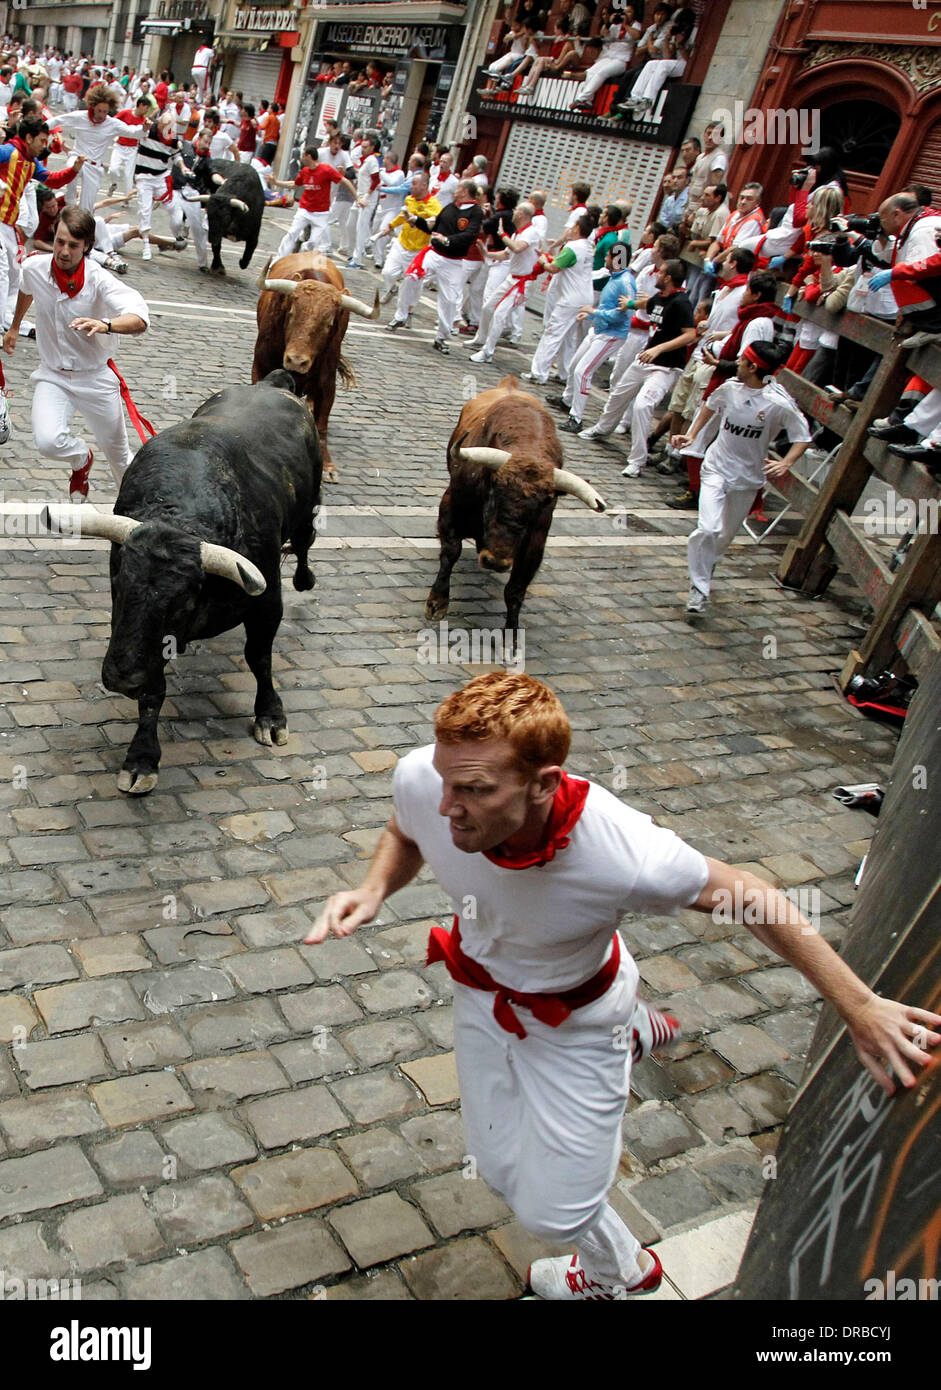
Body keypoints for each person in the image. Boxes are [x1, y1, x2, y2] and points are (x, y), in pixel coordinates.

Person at [306, 669, 940, 1301]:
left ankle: (628, 1030)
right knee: (498, 1173)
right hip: (482, 994)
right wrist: (373, 888)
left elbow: (752, 897)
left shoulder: (627, 853)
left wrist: (858, 1004)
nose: (447, 805)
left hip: (579, 1018)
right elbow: (407, 830)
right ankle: (623, 1272)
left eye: (472, 790)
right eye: (446, 782)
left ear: (544, 784)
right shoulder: (431, 778)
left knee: (554, 1214)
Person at [2, 205, 149, 501]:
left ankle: (135, 510)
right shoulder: (35, 267)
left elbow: (140, 318)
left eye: (73, 245)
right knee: (47, 441)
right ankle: (81, 459)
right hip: (53, 375)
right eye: (59, 241)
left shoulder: (99, 280)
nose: (63, 251)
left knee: (119, 456)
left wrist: (106, 324)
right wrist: (15, 326)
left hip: (95, 378)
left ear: (87, 247)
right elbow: (27, 289)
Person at [674, 342, 810, 614]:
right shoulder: (729, 388)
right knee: (707, 529)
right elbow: (709, 407)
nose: (736, 362)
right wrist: (692, 435)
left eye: (742, 360)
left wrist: (787, 462)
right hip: (715, 468)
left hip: (747, 479)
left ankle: (705, 567)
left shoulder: (778, 402)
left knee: (723, 537)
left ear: (754, 367)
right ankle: (699, 590)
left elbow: (802, 436)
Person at [579, 257, 696, 477]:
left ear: (668, 277)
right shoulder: (661, 297)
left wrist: (659, 349)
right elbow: (648, 303)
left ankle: (637, 461)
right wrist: (630, 304)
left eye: (660, 272)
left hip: (665, 368)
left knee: (643, 405)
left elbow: (690, 334)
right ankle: (603, 428)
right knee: (619, 395)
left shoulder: (681, 303)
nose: (656, 275)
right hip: (645, 360)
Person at [388, 180, 484, 353]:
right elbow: (432, 227)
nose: (455, 191)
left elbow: (470, 234)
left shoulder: (475, 212)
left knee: (449, 299)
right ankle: (400, 316)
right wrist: (416, 220)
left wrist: (449, 240)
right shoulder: (449, 207)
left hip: (453, 261)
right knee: (410, 279)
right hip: (433, 254)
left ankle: (441, 336)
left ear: (465, 192)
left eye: (459, 189)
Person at [548, 249, 637, 429]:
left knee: (583, 371)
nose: (605, 258)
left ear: (617, 258)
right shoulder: (614, 277)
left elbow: (623, 315)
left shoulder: (625, 282)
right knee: (574, 365)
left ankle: (577, 418)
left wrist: (594, 312)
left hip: (611, 335)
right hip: (598, 329)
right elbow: (609, 306)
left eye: (608, 255)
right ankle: (568, 400)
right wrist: (591, 316)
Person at [523, 213, 595, 384]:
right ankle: (564, 373)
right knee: (570, 337)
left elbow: (554, 268)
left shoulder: (573, 247)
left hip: (570, 298)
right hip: (584, 296)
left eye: (572, 227)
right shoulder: (588, 246)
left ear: (577, 229)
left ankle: (539, 373)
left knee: (553, 333)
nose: (568, 230)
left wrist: (542, 261)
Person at [468, 199, 543, 363]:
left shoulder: (531, 232)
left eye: (516, 211)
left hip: (522, 283)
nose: (514, 213)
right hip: (512, 279)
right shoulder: (519, 232)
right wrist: (487, 253)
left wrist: (502, 234)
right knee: (488, 307)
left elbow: (517, 248)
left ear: (522, 214)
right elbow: (506, 254)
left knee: (499, 314)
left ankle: (488, 351)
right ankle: (480, 338)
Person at [272, 146, 362, 259]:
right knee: (292, 233)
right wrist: (276, 182)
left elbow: (345, 181)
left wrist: (357, 198)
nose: (302, 158)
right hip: (304, 210)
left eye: (303, 155)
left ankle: (301, 256)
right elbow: (294, 184)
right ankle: (279, 259)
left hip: (321, 214)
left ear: (309, 156)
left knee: (313, 243)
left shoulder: (326, 170)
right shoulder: (305, 171)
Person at [57, 82, 126, 211]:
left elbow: (132, 131)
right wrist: (43, 127)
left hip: (95, 167)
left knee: (87, 209)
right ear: (93, 106)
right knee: (71, 167)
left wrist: (144, 129)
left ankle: (84, 224)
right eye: (99, 110)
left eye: (105, 111)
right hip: (78, 157)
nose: (102, 114)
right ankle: (70, 202)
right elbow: (58, 120)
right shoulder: (80, 116)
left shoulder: (113, 124)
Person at [379, 170, 441, 302]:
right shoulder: (409, 199)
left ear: (424, 185)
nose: (411, 186)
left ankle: (407, 311)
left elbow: (436, 222)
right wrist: (390, 226)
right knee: (387, 272)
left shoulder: (434, 205)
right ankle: (392, 289)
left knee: (412, 283)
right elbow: (402, 216)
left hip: (418, 249)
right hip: (402, 242)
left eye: (414, 183)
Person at [571, 6, 642, 110]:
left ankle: (581, 98)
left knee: (602, 72)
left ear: (634, 14)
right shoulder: (615, 25)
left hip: (622, 60)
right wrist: (609, 22)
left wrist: (625, 24)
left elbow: (636, 36)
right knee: (591, 71)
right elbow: (603, 33)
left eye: (629, 12)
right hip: (609, 57)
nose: (626, 15)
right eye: (624, 12)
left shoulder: (636, 25)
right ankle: (588, 101)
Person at [107, 94, 150, 196]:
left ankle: (127, 197)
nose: (147, 110)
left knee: (128, 175)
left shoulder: (144, 121)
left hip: (132, 149)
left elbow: (145, 135)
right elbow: (113, 122)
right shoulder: (125, 113)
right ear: (140, 105)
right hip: (119, 146)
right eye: (146, 107)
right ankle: (113, 183)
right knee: (113, 169)